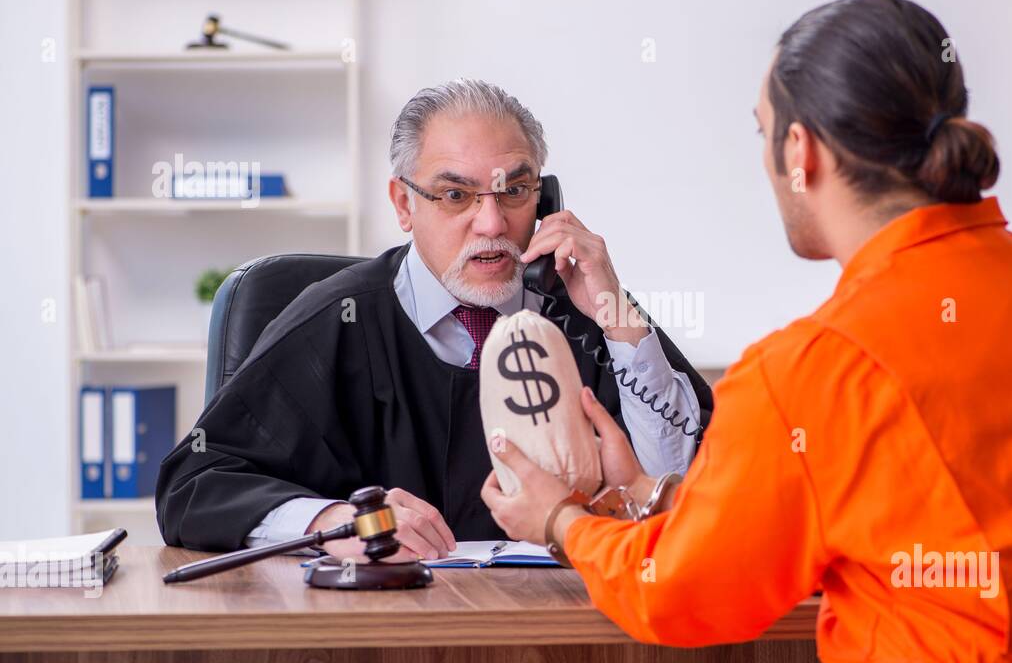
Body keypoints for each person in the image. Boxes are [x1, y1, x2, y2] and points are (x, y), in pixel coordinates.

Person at [480, 0, 1012, 663]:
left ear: (802, 153)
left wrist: (560, 519)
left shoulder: (821, 367)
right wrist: (648, 494)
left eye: (762, 135)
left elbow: (674, 595)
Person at [155, 80, 712, 559]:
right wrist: (333, 523)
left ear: (544, 199)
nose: (491, 222)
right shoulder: (337, 318)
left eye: (514, 190)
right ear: (404, 205)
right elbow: (195, 485)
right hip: (382, 645)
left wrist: (620, 322)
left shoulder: (588, 311)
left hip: (568, 637)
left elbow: (689, 496)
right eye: (455, 194)